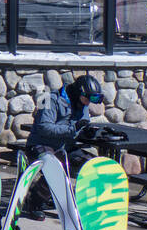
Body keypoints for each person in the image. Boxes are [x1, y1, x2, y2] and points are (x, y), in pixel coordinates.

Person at [24, 74, 102, 215]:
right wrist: (73, 128)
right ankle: (34, 202)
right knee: (55, 167)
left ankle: (83, 203)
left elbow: (79, 127)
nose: (88, 103)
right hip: (38, 145)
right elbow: (43, 127)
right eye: (88, 98)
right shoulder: (46, 98)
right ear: (80, 92)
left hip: (64, 146)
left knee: (92, 165)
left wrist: (86, 132)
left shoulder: (81, 103)